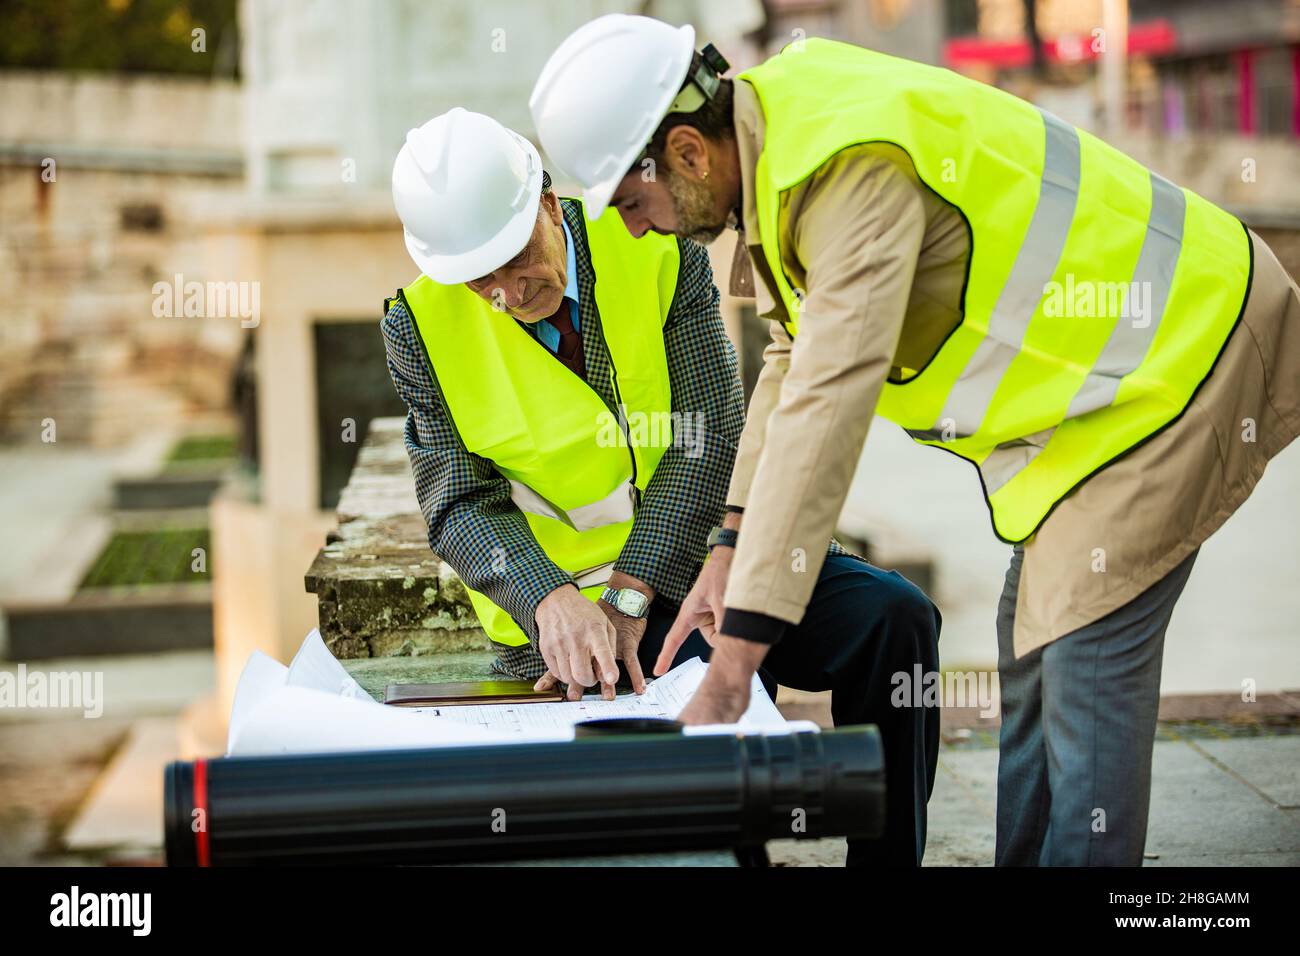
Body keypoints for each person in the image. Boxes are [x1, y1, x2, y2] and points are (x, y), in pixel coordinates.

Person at [529, 15, 1300, 866]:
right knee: (1033, 654)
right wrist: (729, 542)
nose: (633, 229)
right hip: (1110, 399)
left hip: (1186, 357)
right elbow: (793, 359)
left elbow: (827, 417)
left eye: (632, 202)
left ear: (686, 152)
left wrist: (733, 667)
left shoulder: (848, 170)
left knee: (1079, 672)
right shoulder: (782, 128)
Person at [383, 107, 942, 866]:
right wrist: (551, 600)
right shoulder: (415, 327)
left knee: (896, 620)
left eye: (517, 263)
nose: (508, 294)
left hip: (702, 559)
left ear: (549, 204)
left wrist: (633, 593)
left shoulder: (652, 248)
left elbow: (708, 437)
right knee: (714, 752)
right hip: (572, 607)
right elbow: (456, 502)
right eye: (481, 281)